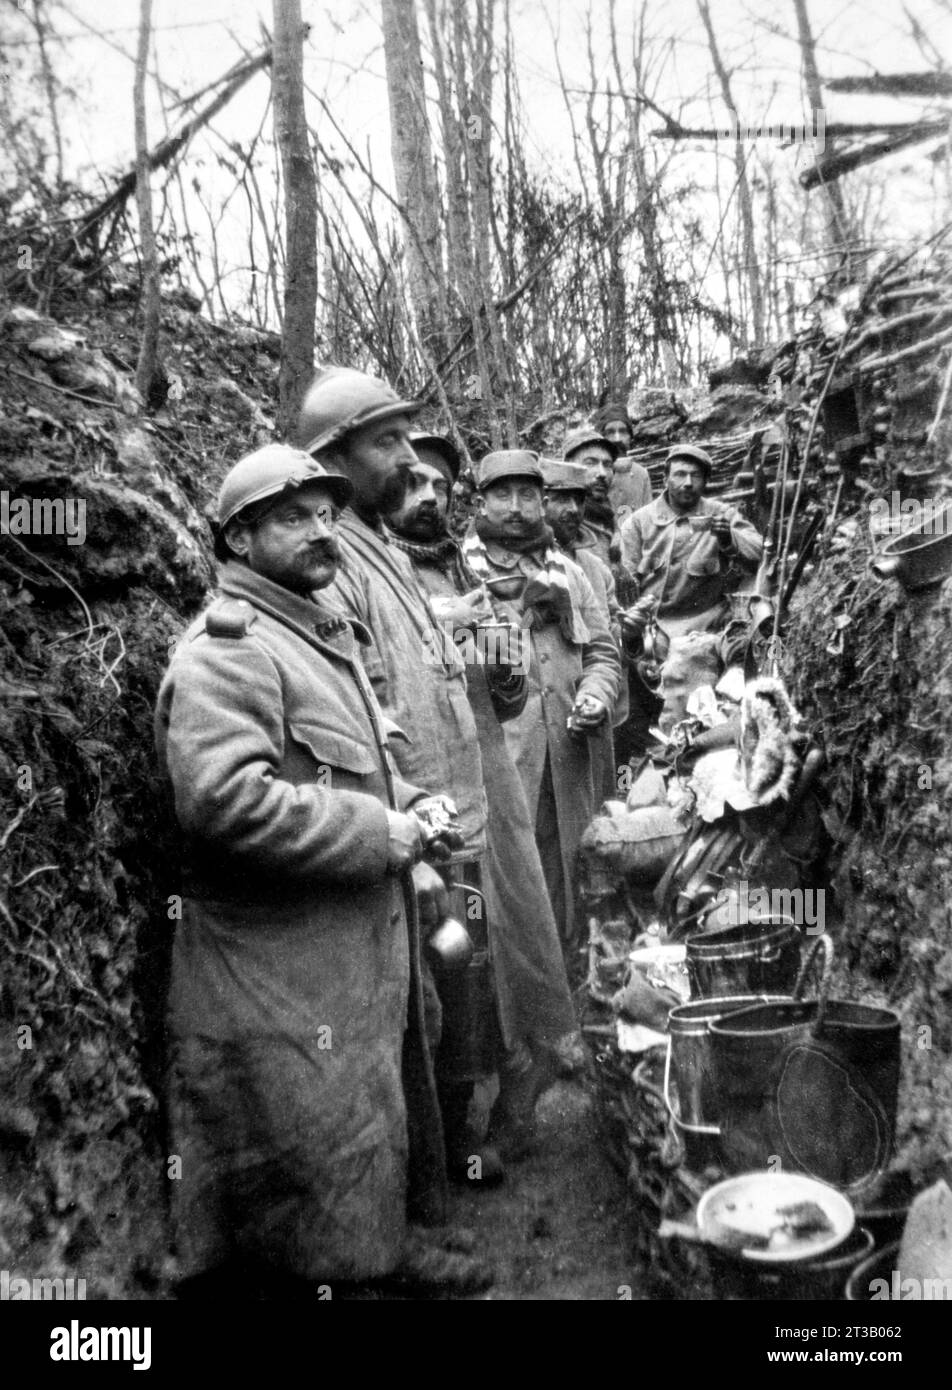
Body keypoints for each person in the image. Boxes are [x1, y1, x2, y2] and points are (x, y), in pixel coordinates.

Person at [155, 444, 489, 1298]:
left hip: (341, 933)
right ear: (238, 541)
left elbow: (351, 758)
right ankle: (347, 1271)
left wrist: (412, 802)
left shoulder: (313, 630)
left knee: (364, 1095)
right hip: (276, 951)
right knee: (312, 1118)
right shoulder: (225, 650)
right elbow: (225, 802)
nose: (320, 531)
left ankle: (385, 1247)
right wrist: (381, 832)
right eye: (292, 518)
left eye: (326, 514)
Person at [293, 373, 562, 1173]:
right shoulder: (338, 560)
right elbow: (359, 703)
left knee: (469, 971)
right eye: (390, 446)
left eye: (416, 450)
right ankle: (433, 1172)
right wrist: (400, 813)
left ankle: (462, 1144)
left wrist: (494, 640)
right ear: (333, 461)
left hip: (466, 801)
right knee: (437, 990)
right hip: (412, 819)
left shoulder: (403, 561)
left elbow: (465, 688)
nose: (412, 470)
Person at [381, 433, 583, 1152]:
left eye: (439, 486)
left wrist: (498, 647)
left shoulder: (448, 573)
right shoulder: (371, 575)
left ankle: (511, 1094)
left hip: (485, 769)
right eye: (411, 486)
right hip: (417, 780)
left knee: (504, 933)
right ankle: (442, 1135)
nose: (427, 498)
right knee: (443, 952)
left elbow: (506, 692)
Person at [461, 450, 621, 980]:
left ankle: (576, 980)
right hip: (502, 762)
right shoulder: (460, 571)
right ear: (480, 502)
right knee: (506, 881)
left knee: (573, 869)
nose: (516, 507)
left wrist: (596, 692)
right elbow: (437, 667)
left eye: (528, 495)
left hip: (569, 756)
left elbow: (601, 649)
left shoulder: (571, 573)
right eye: (502, 495)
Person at [540, 456, 626, 801]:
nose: (573, 509)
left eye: (579, 499)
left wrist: (629, 634)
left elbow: (606, 642)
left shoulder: (594, 569)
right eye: (561, 498)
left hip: (596, 714)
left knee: (608, 795)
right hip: (538, 736)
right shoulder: (486, 569)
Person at [620, 443, 764, 642]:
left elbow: (759, 552)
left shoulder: (721, 514)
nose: (688, 482)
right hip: (653, 626)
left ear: (705, 481)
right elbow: (626, 580)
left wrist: (729, 539)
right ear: (665, 479)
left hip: (707, 625)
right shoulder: (638, 523)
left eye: (695, 476)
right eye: (680, 474)